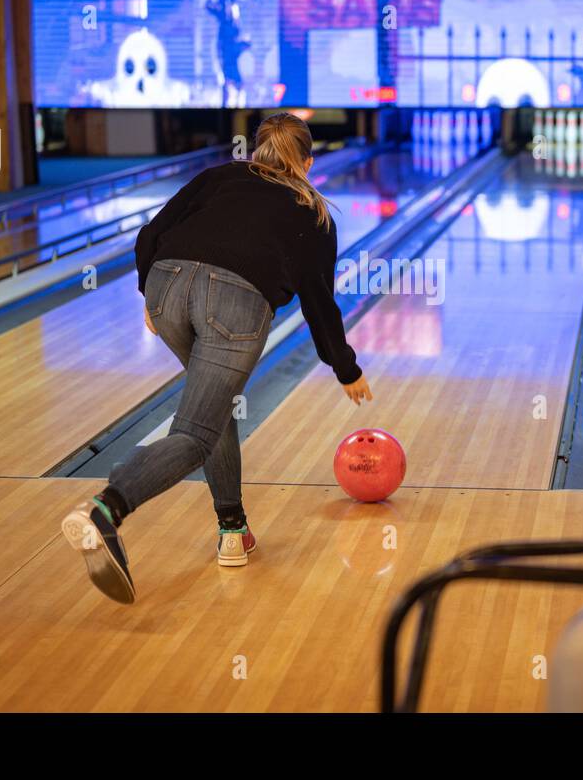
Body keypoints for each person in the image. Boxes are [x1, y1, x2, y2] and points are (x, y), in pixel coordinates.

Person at [61, 112, 372, 604]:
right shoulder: (312, 211)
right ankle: (108, 507)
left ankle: (233, 528)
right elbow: (319, 302)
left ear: (254, 151)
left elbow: (149, 234)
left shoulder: (218, 177)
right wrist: (345, 368)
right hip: (234, 304)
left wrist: (151, 293)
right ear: (308, 163)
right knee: (194, 435)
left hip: (167, 290)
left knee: (212, 402)